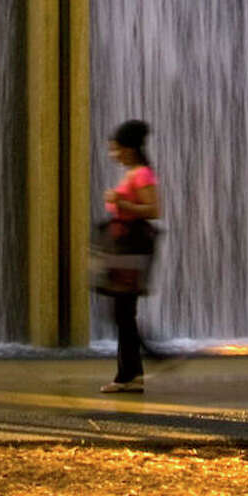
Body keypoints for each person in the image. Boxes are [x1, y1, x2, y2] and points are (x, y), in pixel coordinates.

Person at [99, 118, 160, 394]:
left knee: (122, 312)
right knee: (123, 312)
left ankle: (131, 372)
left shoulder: (141, 174)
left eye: (118, 149)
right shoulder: (134, 172)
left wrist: (120, 202)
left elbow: (153, 210)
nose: (115, 155)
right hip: (124, 248)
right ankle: (133, 373)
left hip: (132, 249)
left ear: (131, 149)